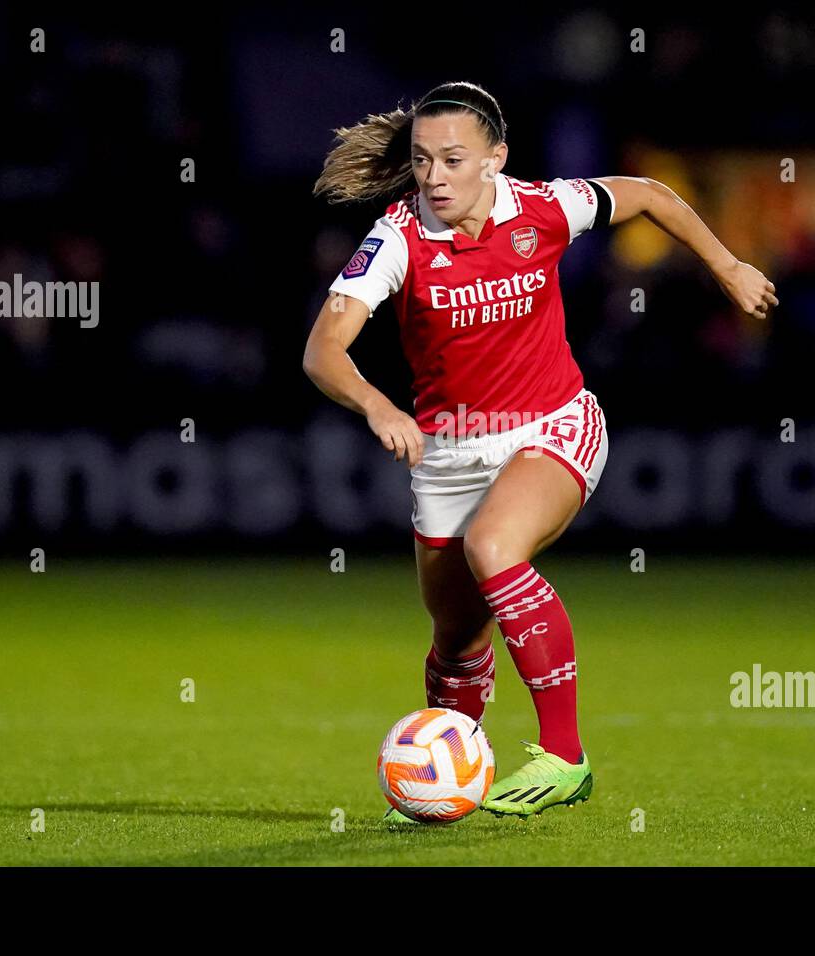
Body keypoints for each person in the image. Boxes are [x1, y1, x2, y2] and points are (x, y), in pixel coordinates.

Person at [304, 81, 776, 824]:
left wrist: (728, 266)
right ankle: (447, 781)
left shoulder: (545, 208)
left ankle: (566, 756)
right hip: (448, 453)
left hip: (551, 424)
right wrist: (378, 403)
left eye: (454, 160)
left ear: (496, 159)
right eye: (423, 160)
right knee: (456, 637)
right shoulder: (396, 238)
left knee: (496, 548)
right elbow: (323, 350)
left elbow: (651, 194)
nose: (434, 177)